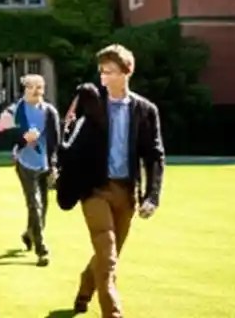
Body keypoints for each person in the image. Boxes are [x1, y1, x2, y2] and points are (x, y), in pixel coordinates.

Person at [70, 44, 165, 317]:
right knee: (108, 255)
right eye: (101, 72)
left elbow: (154, 156)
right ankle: (113, 313)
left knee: (106, 256)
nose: (103, 78)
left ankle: (85, 286)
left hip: (127, 193)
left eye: (109, 72)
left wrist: (152, 195)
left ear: (126, 72)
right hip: (95, 190)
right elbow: (69, 139)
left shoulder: (146, 110)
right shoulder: (91, 105)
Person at [0, 73, 60, 266]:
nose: (36, 91)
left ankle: (29, 234)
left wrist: (54, 165)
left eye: (39, 87)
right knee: (34, 204)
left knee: (43, 209)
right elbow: (0, 133)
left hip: (44, 164)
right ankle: (42, 250)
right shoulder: (14, 110)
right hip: (24, 162)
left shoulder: (49, 112)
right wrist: (23, 139)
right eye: (31, 87)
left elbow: (55, 141)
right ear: (24, 89)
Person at [55, 82, 107, 212]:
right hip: (99, 180)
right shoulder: (101, 121)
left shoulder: (86, 123)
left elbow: (72, 153)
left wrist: (62, 132)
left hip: (86, 184)